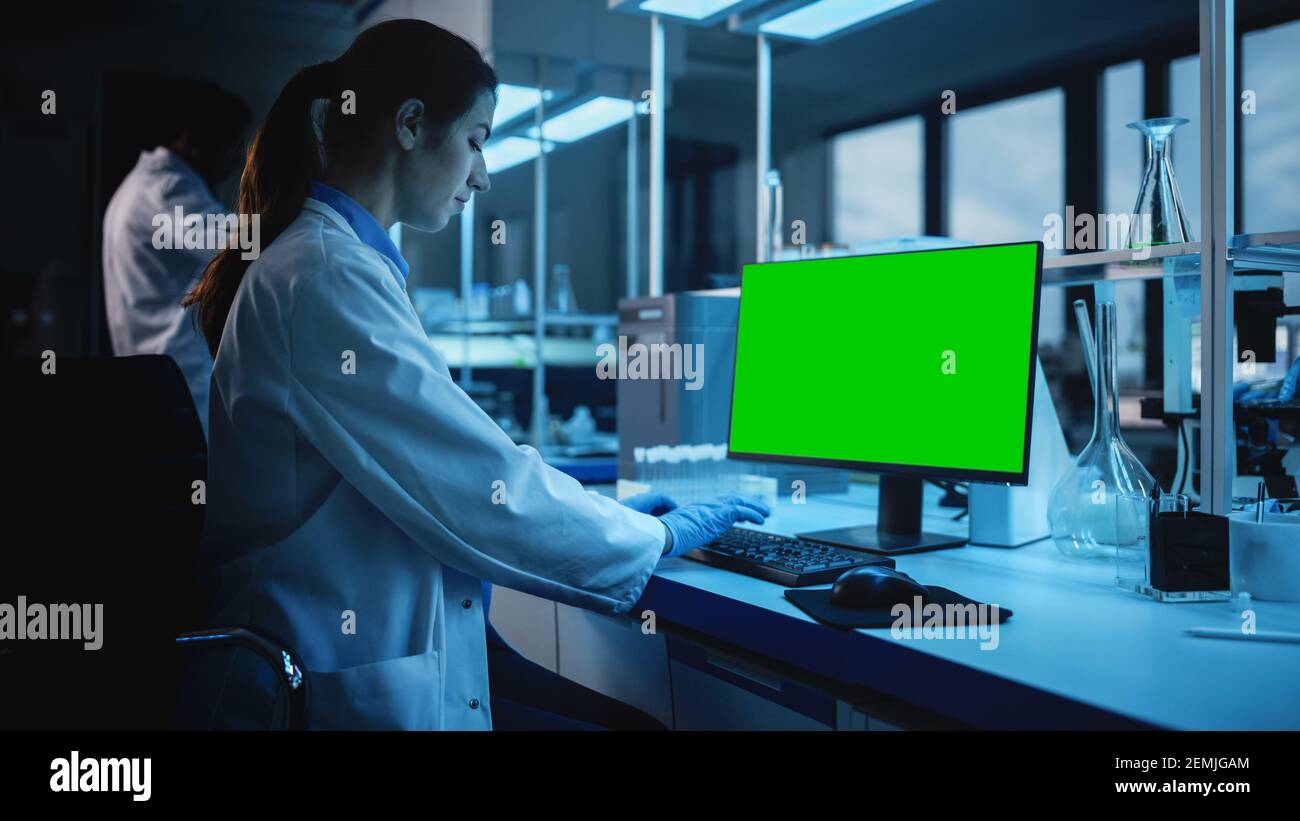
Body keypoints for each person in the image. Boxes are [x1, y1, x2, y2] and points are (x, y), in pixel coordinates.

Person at [180, 19, 769, 730]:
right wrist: (656, 537)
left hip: (386, 642)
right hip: (333, 675)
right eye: (477, 141)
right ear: (408, 124)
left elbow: (456, 459)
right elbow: (476, 484)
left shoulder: (337, 265)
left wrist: (612, 516)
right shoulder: (324, 273)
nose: (483, 174)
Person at [103, 82, 251, 434]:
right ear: (194, 138)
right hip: (178, 379)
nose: (236, 159)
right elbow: (240, 243)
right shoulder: (166, 188)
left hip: (160, 375)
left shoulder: (144, 185)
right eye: (230, 141)